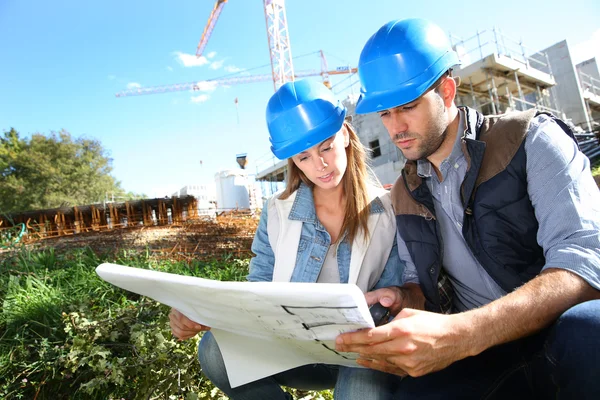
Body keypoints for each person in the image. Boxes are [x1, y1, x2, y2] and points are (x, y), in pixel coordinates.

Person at [335, 18, 600, 399]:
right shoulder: (404, 194)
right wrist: (401, 296)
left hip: (557, 334)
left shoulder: (531, 140)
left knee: (591, 330)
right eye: (385, 113)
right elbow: (419, 284)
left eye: (407, 106)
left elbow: (585, 260)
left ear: (446, 90)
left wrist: (463, 334)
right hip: (485, 357)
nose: (396, 128)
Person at [169, 79, 405, 400]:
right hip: (298, 350)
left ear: (346, 135)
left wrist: (387, 302)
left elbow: (396, 295)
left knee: (358, 391)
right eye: (303, 156)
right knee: (215, 350)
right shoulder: (277, 211)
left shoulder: (387, 211)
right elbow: (259, 288)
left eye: (326, 146)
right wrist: (210, 313)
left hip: (360, 351)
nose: (319, 165)